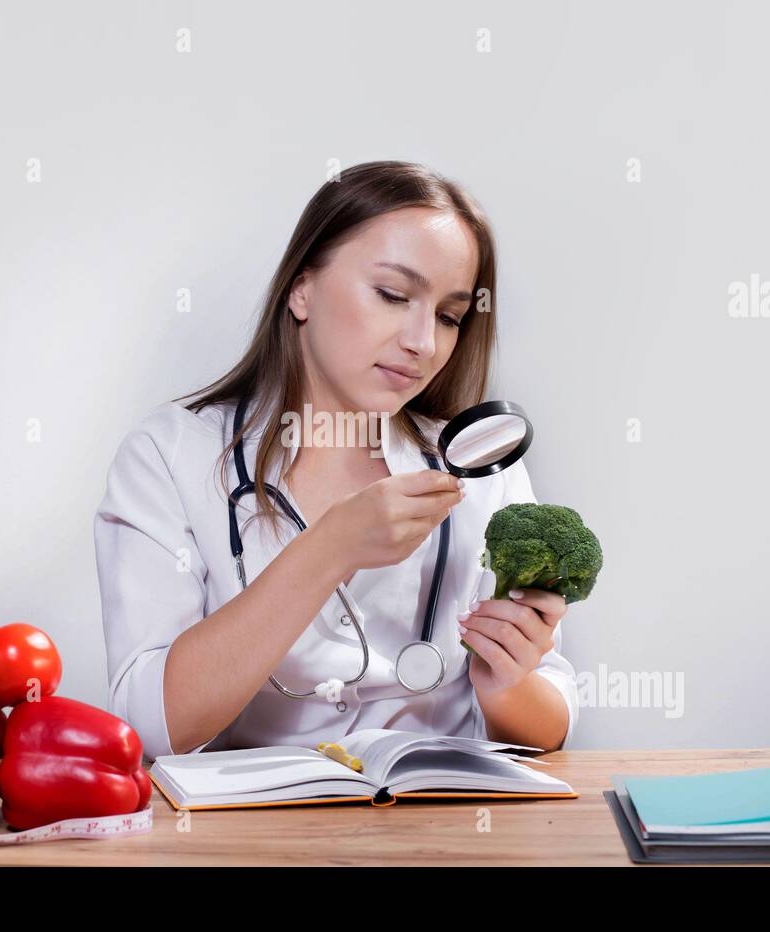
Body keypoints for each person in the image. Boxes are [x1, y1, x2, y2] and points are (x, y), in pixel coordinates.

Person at [95, 160, 578, 759]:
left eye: (450, 316)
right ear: (301, 288)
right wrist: (330, 549)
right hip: (248, 844)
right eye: (393, 295)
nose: (423, 343)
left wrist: (507, 685)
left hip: (440, 838)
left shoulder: (478, 464)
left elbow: (551, 724)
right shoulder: (169, 456)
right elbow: (149, 729)